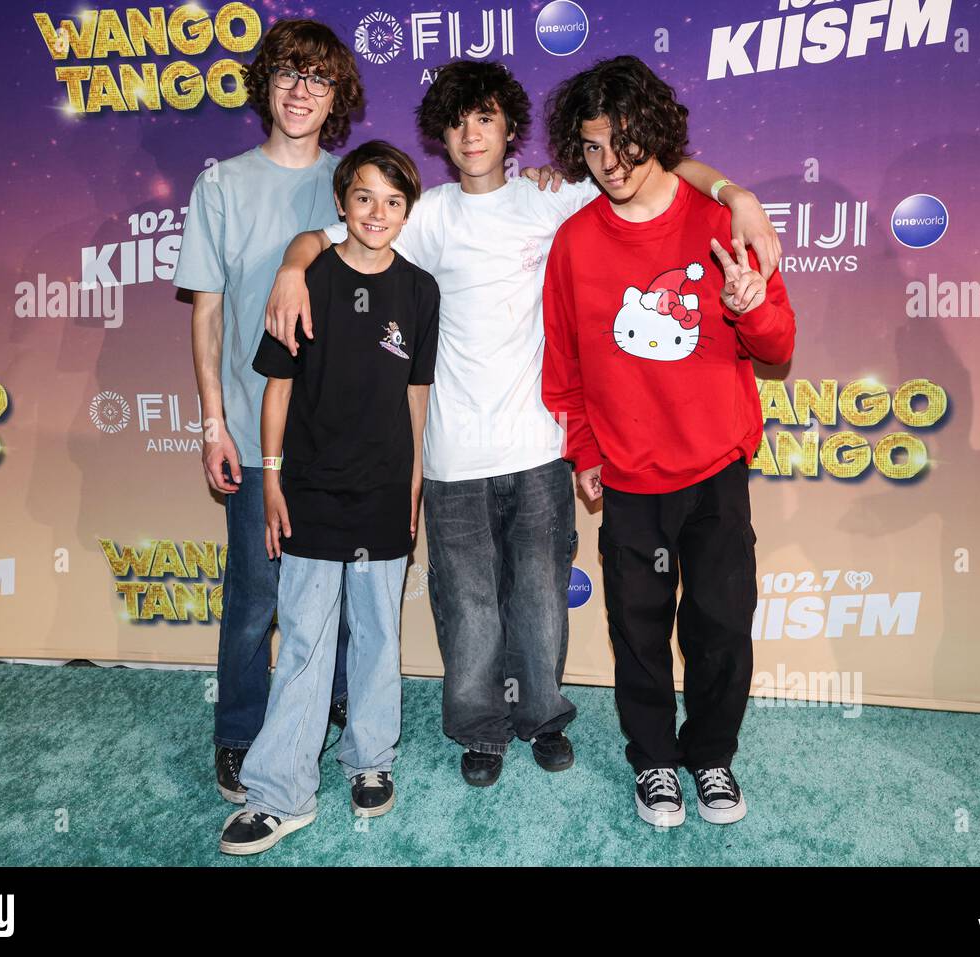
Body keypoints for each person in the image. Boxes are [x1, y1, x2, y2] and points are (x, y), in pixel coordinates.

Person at [265, 60, 781, 788]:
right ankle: (479, 729)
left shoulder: (555, 200)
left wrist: (738, 194)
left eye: (485, 117)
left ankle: (542, 716)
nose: (470, 134)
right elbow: (338, 235)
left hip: (540, 447)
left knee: (540, 601)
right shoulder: (428, 215)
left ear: (510, 127)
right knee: (469, 607)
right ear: (441, 137)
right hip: (451, 454)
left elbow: (657, 165)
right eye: (456, 121)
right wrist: (293, 264)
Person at [540, 55, 796, 828]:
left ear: (652, 132)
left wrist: (750, 304)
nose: (608, 163)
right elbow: (564, 369)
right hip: (628, 480)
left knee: (720, 624)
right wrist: (586, 452)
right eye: (590, 147)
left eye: (621, 141)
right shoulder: (576, 243)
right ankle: (653, 761)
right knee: (638, 632)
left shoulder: (721, 221)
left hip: (716, 469)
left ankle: (711, 756)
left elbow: (780, 344)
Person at [219, 141, 439, 855]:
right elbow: (277, 387)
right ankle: (280, 791)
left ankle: (370, 758)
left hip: (384, 491)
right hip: (309, 490)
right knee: (308, 640)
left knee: (378, 634)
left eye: (394, 201)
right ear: (341, 202)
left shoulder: (420, 290)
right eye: (365, 197)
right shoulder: (305, 278)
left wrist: (414, 484)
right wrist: (273, 477)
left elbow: (417, 396)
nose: (378, 213)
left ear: (408, 211)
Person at [174, 19, 361, 806]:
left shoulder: (356, 181)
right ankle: (241, 732)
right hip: (254, 432)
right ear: (266, 85)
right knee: (255, 593)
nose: (299, 90)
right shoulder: (220, 185)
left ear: (337, 96)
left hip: (341, 432)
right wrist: (214, 421)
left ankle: (339, 709)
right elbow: (208, 315)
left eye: (317, 77)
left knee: (345, 591)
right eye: (286, 73)